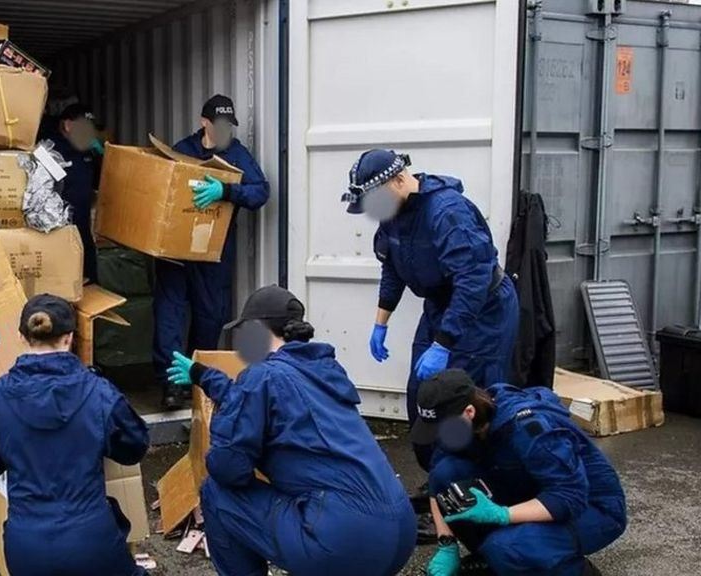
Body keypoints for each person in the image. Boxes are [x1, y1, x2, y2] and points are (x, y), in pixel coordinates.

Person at [167, 285, 416, 576]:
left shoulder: (262, 377)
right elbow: (263, 397)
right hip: (399, 533)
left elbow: (228, 468)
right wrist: (203, 375)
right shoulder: (324, 370)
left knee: (216, 492)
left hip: (343, 541)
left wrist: (230, 429)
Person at [344, 150, 518, 468]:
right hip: (439, 305)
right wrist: (381, 322)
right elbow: (392, 268)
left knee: (467, 397)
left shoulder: (448, 212)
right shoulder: (392, 214)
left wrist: (444, 343)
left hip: (483, 309)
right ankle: (439, 474)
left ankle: (478, 477)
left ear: (399, 180)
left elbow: (472, 280)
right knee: (423, 393)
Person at [0, 294, 151, 576]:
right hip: (92, 541)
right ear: (69, 338)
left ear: (21, 337)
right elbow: (134, 448)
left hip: (27, 547)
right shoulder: (99, 392)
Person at [413, 370, 626, 576]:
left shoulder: (527, 428)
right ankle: (495, 559)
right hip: (533, 490)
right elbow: (438, 483)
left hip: (593, 508)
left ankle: (568, 568)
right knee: (446, 472)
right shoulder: (459, 425)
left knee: (508, 548)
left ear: (469, 412)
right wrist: (447, 545)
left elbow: (569, 497)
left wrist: (502, 514)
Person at [155, 94, 270, 409]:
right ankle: (171, 384)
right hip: (175, 251)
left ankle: (197, 379)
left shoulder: (236, 155)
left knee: (210, 317)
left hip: (212, 252)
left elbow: (261, 191)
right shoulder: (183, 150)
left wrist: (227, 191)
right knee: (170, 316)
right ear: (204, 122)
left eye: (228, 125)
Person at [44, 103, 105, 283]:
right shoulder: (49, 151)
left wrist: (102, 157)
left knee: (90, 280)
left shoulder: (88, 152)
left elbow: (100, 184)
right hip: (57, 231)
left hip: (83, 230)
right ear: (68, 125)